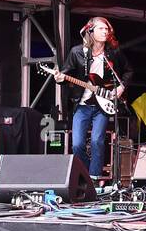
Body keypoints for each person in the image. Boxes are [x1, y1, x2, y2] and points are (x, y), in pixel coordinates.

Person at [54, 16, 133, 182]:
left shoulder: (113, 52)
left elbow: (128, 71)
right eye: (101, 29)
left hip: (103, 104)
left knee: (97, 140)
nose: (105, 32)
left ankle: (95, 178)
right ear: (90, 31)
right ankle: (86, 174)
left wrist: (121, 87)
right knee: (77, 144)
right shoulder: (77, 52)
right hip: (82, 104)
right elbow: (65, 73)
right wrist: (59, 78)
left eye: (107, 29)